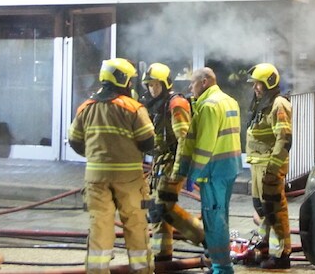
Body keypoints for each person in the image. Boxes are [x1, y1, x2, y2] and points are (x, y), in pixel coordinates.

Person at [68, 58, 155, 274]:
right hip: (129, 179)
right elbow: (148, 142)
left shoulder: (85, 108)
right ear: (122, 80)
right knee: (136, 225)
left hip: (96, 178)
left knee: (100, 226)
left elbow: (75, 141)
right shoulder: (133, 108)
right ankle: (142, 270)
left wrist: (96, 157)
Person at [171, 67, 242, 274]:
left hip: (212, 172)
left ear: (204, 82)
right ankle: (221, 264)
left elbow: (204, 145)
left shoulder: (209, 106)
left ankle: (222, 267)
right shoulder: (229, 101)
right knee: (222, 216)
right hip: (229, 168)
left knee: (213, 220)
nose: (190, 88)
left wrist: (193, 173)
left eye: (192, 83)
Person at [142, 63, 204, 263]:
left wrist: (179, 170)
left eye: (156, 85)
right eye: (149, 85)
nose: (152, 89)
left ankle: (204, 237)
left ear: (165, 83)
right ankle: (162, 253)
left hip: (171, 163)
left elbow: (183, 139)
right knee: (156, 209)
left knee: (164, 206)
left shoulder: (176, 104)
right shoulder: (155, 105)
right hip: (159, 163)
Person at [242, 63, 293, 269]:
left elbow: (284, 139)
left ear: (269, 83)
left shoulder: (278, 104)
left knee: (275, 210)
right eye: (254, 84)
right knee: (262, 210)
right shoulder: (262, 104)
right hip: (257, 164)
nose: (255, 87)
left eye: (259, 84)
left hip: (269, 166)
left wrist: (273, 169)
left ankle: (282, 255)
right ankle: (264, 249)